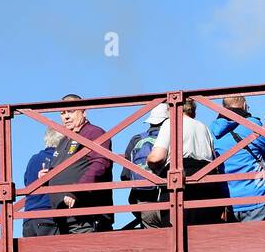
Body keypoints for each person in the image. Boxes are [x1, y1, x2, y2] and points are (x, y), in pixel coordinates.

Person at [145, 97, 226, 226]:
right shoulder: (204, 127)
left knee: (177, 233)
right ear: (193, 111)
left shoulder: (170, 123)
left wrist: (149, 163)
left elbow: (156, 157)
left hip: (181, 183)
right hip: (207, 183)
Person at [52, 95, 114, 233]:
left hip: (86, 215)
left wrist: (77, 191)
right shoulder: (63, 141)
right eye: (62, 113)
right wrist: (45, 176)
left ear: (84, 112)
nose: (66, 117)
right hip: (62, 216)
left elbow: (100, 163)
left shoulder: (93, 132)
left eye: (70, 111)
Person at [211, 95, 265, 222]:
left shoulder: (213, 130)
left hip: (228, 199)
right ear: (245, 105)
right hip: (256, 195)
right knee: (259, 240)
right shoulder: (252, 125)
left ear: (223, 108)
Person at [119, 105, 166, 229]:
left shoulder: (137, 139)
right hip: (169, 199)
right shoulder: (173, 138)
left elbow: (125, 175)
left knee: (153, 239)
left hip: (144, 199)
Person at [21, 127, 66, 237]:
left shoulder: (34, 158)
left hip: (29, 219)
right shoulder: (60, 159)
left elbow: (26, 182)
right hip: (48, 216)